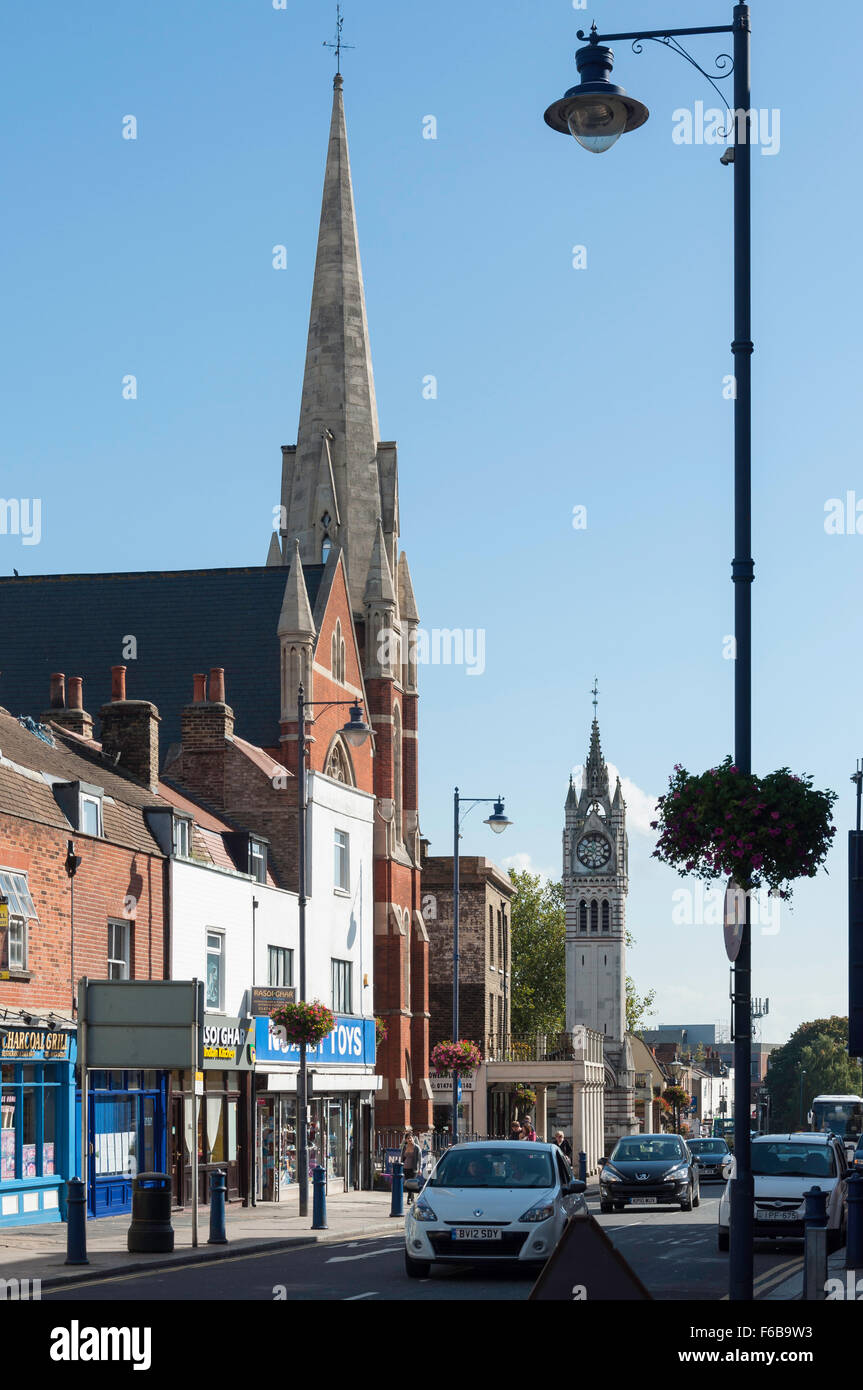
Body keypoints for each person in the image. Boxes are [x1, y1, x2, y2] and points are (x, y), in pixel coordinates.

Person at [400, 1128, 422, 1203]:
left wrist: (420, 1169)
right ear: (405, 1140)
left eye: (410, 1138)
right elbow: (402, 1158)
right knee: (407, 1183)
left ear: (413, 1138)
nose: (409, 1139)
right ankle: (412, 1198)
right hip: (406, 1168)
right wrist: (401, 1166)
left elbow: (420, 1159)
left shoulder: (417, 1148)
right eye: (408, 1138)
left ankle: (409, 1199)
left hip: (414, 1168)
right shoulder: (404, 1147)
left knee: (411, 1184)